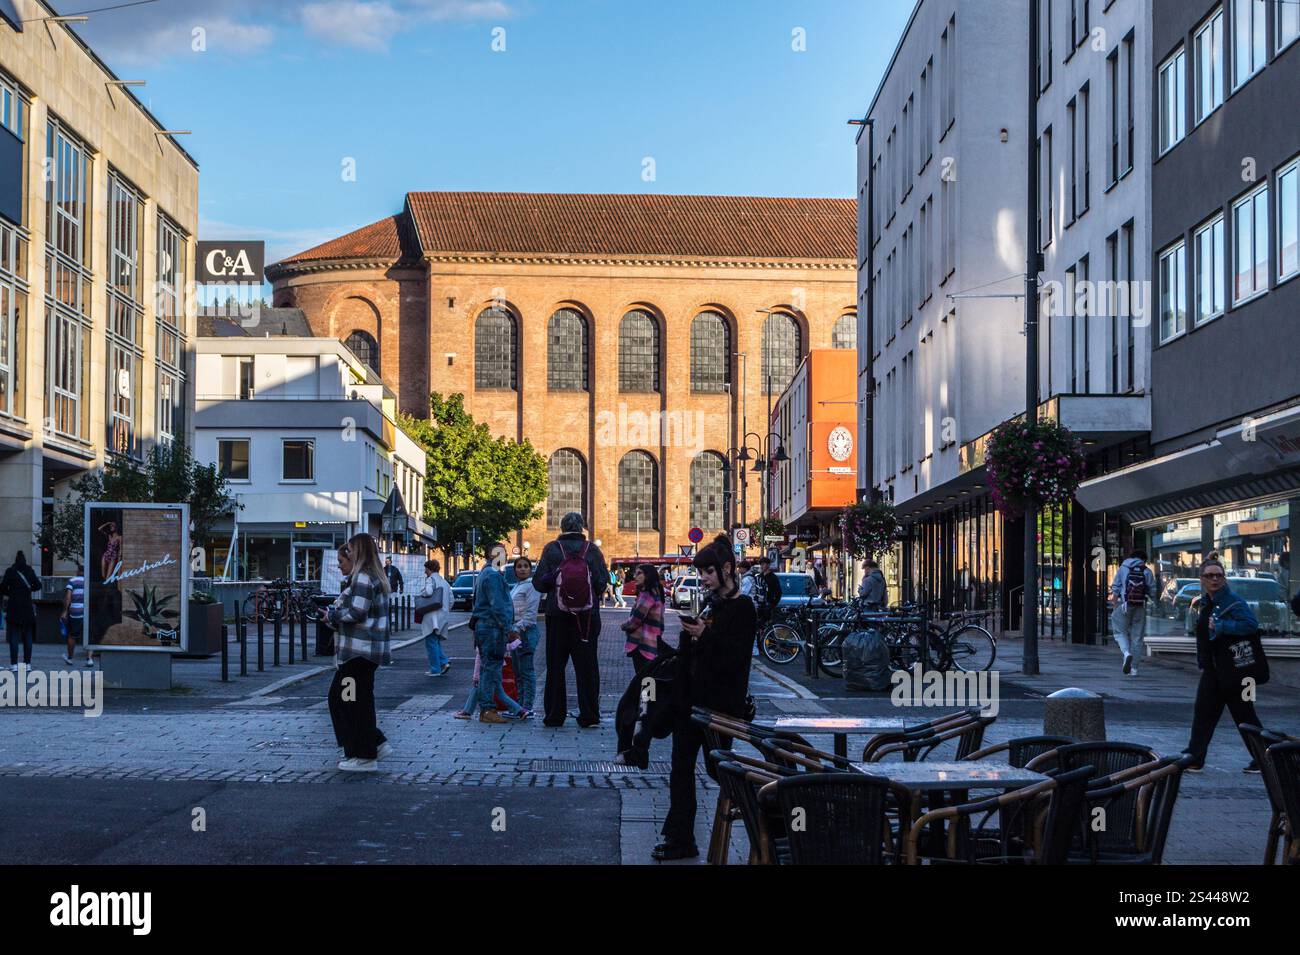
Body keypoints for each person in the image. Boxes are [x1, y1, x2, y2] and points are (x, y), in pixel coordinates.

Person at [652, 533, 756, 860]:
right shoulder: (710, 602)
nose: (704, 579)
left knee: (718, 770)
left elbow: (736, 659)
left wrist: (705, 634)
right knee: (680, 770)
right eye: (701, 573)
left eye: (708, 572)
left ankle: (766, 814)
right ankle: (680, 838)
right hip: (689, 702)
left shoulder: (743, 608)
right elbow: (694, 651)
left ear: (726, 569)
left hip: (719, 706)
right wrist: (689, 639)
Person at [1182, 558, 1264, 773]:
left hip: (1236, 671)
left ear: (1224, 578)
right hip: (1213, 669)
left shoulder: (1234, 602)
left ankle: (1266, 757)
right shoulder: (1205, 602)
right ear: (1202, 579)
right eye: (1210, 575)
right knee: (1204, 713)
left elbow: (1251, 625)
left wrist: (1222, 625)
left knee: (1245, 715)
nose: (1215, 579)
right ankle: (1194, 756)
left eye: (1218, 575)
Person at [531, 512, 608, 728]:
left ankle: (555, 715)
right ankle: (590, 715)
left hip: (558, 617)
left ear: (562, 527)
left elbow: (538, 583)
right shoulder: (592, 550)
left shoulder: (552, 549)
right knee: (588, 667)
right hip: (587, 618)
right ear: (582, 527)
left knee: (555, 666)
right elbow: (602, 582)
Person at [326, 534, 392, 772]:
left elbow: (357, 613)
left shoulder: (363, 577)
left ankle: (364, 755)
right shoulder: (374, 577)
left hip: (358, 651)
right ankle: (373, 744)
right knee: (356, 700)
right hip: (367, 651)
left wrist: (333, 616)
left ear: (360, 551)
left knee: (344, 700)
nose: (349, 553)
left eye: (351, 549)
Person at [617, 563, 667, 760]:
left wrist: (624, 625)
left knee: (645, 682)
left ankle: (647, 716)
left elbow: (636, 619)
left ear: (648, 575)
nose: (635, 576)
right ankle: (648, 712)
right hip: (651, 643)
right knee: (648, 681)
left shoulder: (647, 595)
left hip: (643, 645)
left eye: (639, 573)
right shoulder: (657, 592)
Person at [471, 559, 527, 723]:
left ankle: (485, 709)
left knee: (486, 669)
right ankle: (488, 709)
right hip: (492, 628)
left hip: (485, 626)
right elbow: (498, 605)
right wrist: (507, 627)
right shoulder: (494, 575)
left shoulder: (484, 573)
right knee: (491, 669)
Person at [1109, 548, 1157, 676]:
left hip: (1124, 605)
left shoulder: (1123, 567)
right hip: (1140, 606)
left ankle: (1126, 653)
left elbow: (1116, 587)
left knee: (1119, 632)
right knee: (1137, 638)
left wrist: (1114, 602)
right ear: (1143, 560)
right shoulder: (1147, 571)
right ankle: (1134, 669)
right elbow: (1152, 591)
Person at [508, 556, 541, 712]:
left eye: (525, 566)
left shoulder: (532, 586)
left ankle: (527, 707)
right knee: (518, 672)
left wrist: (517, 628)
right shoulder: (517, 586)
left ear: (530, 569)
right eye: (519, 566)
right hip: (515, 632)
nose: (522, 569)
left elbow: (530, 614)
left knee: (526, 672)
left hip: (525, 632)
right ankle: (519, 706)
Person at [2, 552, 42, 672]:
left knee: (14, 636)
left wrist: (12, 593)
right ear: (25, 560)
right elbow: (38, 585)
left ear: (15, 560)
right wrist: (29, 589)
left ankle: (14, 664)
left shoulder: (10, 571)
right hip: (27, 606)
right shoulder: (29, 570)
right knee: (28, 635)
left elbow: (2, 587)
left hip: (14, 606)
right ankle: (27, 664)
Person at [419, 558, 453, 676]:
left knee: (430, 642)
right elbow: (451, 600)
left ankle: (436, 668)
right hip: (442, 616)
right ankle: (444, 662)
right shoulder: (445, 582)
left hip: (431, 616)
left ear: (429, 569)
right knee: (435, 641)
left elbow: (428, 592)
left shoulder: (430, 580)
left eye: (426, 569)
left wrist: (422, 592)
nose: (425, 572)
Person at [61, 563, 92, 668]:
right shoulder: (89, 581)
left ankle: (70, 658)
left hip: (75, 611)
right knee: (89, 637)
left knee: (72, 635)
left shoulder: (72, 581)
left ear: (78, 570)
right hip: (88, 611)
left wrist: (65, 611)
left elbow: (68, 597)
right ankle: (89, 659)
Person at [758, 556, 782, 622]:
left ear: (768, 565)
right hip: (760, 606)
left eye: (763, 564)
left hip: (768, 606)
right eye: (761, 564)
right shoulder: (759, 577)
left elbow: (778, 593)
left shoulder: (773, 578)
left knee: (768, 626)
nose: (761, 566)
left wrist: (772, 605)